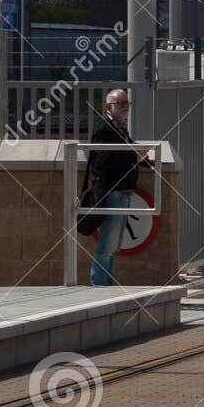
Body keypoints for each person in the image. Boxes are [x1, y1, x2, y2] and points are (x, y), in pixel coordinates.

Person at [83, 90, 145, 287]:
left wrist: (142, 159)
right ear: (109, 107)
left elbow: (126, 151)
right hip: (112, 191)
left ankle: (105, 284)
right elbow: (103, 161)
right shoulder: (105, 128)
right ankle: (99, 285)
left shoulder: (119, 128)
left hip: (121, 191)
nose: (125, 106)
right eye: (120, 103)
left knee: (114, 244)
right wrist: (132, 156)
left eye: (127, 103)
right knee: (108, 243)